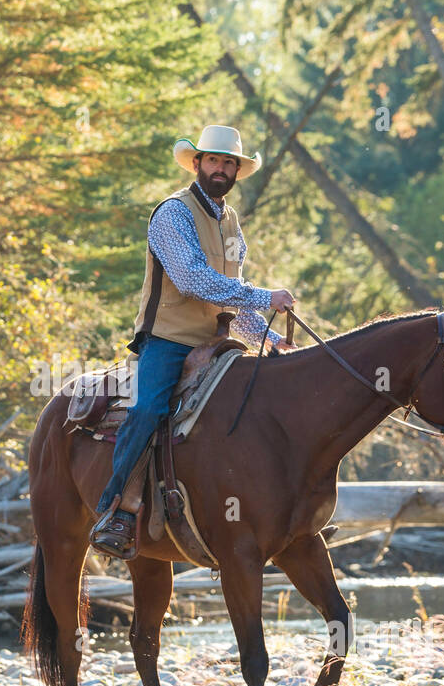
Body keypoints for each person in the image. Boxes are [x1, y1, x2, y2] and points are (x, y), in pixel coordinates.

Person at [89, 126, 297, 558]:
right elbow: (192, 279)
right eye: (214, 160)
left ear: (237, 170)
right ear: (197, 163)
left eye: (229, 163)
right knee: (148, 409)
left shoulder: (231, 221)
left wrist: (272, 339)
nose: (221, 169)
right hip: (169, 340)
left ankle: (290, 511)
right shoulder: (172, 213)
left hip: (218, 343)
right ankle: (116, 510)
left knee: (270, 406)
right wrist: (267, 296)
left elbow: (231, 295)